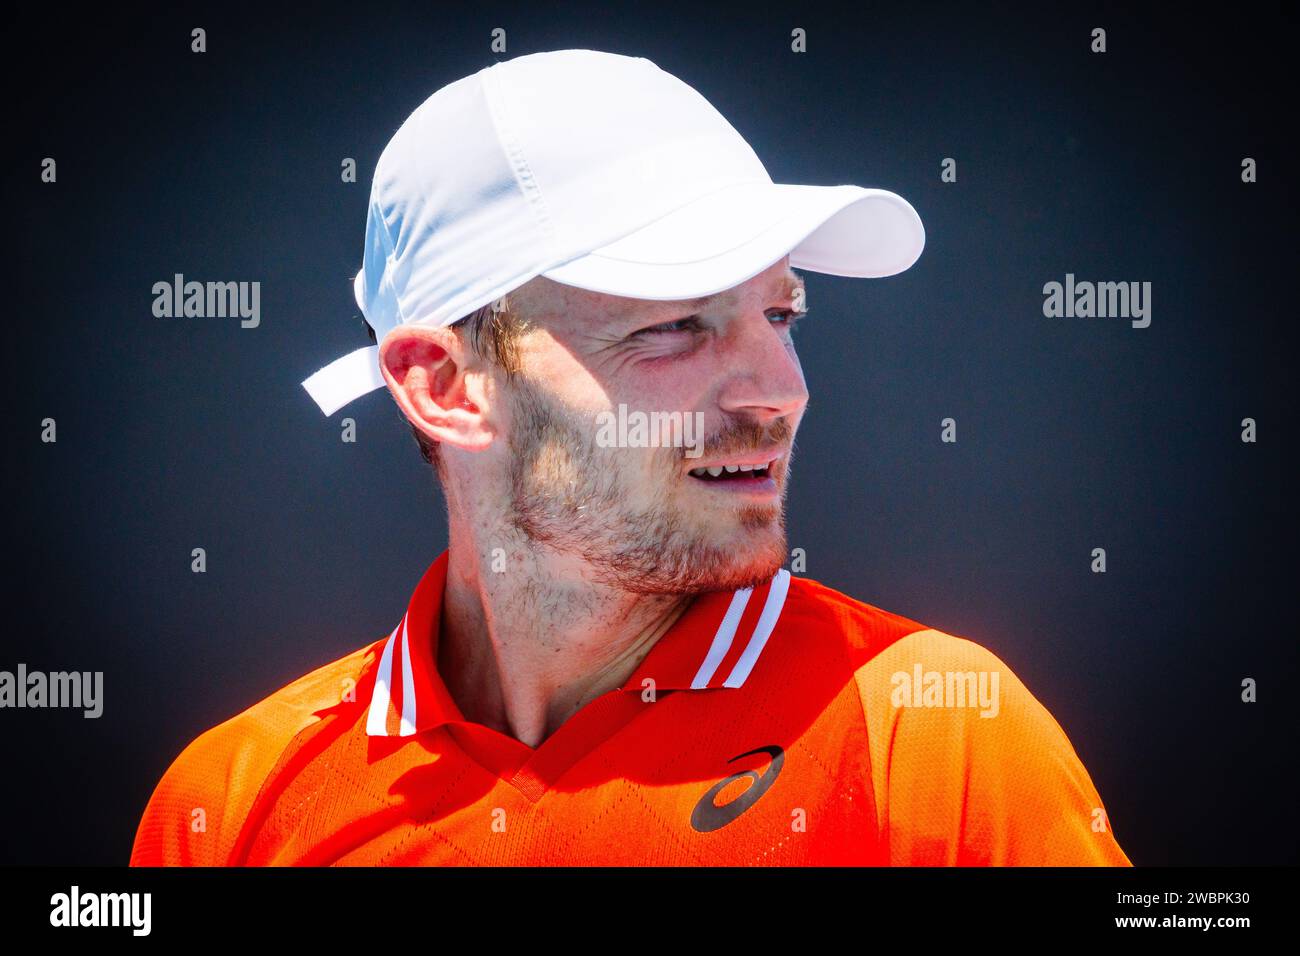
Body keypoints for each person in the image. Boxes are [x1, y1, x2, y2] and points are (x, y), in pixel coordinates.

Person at [129, 49, 1130, 866]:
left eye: (781, 311)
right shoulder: (233, 803)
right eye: (675, 325)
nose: (778, 388)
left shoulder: (934, 736)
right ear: (445, 385)